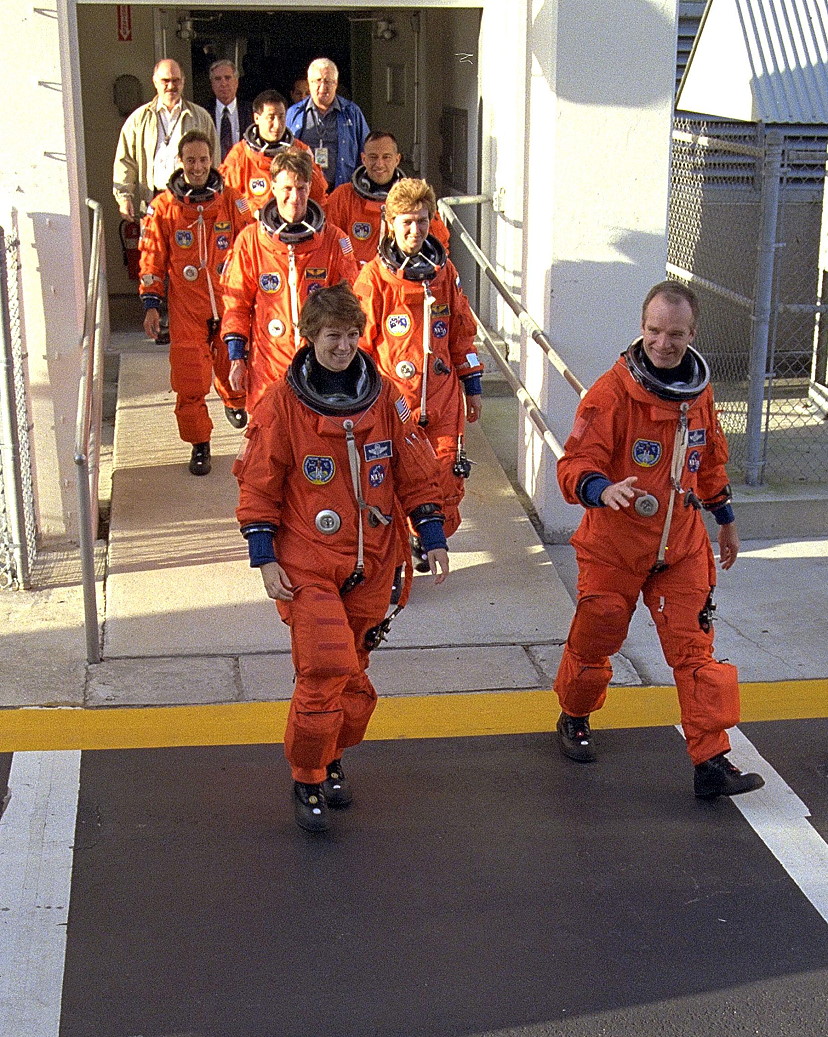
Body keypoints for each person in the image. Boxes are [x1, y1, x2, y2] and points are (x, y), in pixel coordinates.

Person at [234, 282, 449, 833]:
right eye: (333, 336)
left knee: (352, 678)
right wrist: (264, 556)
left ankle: (331, 756)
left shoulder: (384, 400)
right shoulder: (282, 406)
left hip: (373, 559)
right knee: (325, 665)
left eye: (352, 335)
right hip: (309, 562)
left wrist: (432, 533)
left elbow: (417, 470)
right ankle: (306, 776)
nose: (344, 346)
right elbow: (259, 483)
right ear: (310, 337)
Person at [552, 280, 765, 800]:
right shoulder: (612, 392)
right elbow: (574, 465)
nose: (662, 343)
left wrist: (726, 517)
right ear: (641, 328)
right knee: (597, 633)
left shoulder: (700, 391)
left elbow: (709, 458)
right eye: (653, 331)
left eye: (674, 333)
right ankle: (574, 714)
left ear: (692, 334)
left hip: (681, 548)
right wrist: (603, 490)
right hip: (615, 549)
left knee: (697, 654)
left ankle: (711, 761)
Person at [354, 178, 483, 563]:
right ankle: (394, 552)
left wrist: (472, 384)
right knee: (392, 481)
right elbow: (360, 347)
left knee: (445, 479)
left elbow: (461, 333)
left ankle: (427, 537)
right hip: (395, 402)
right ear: (390, 223)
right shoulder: (374, 279)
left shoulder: (443, 274)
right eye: (406, 222)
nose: (415, 230)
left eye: (422, 221)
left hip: (442, 397)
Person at [139, 130, 253, 475]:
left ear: (212, 161)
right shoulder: (164, 207)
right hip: (187, 307)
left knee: (232, 362)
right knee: (190, 380)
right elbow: (151, 257)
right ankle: (199, 443)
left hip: (228, 301)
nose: (198, 167)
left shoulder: (233, 200)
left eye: (203, 160)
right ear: (180, 162)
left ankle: (235, 401)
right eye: (191, 160)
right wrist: (151, 304)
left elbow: (250, 246)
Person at [220, 146, 359, 413]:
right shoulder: (250, 240)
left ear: (310, 187)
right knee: (266, 446)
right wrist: (237, 357)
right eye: (286, 189)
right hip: (268, 365)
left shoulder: (334, 240)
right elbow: (237, 303)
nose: (294, 197)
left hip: (319, 364)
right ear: (272, 187)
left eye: (301, 188)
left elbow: (352, 305)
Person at [113, 58, 218, 221]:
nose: (171, 86)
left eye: (176, 80)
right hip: (152, 201)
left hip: (191, 201)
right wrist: (124, 197)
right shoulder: (139, 119)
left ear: (183, 82)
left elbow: (214, 161)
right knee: (152, 247)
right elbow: (126, 161)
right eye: (165, 81)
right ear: (155, 82)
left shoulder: (201, 117)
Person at [326, 131, 450, 267]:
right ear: (363, 159)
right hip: (356, 279)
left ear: (397, 160)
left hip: (401, 278)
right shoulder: (344, 197)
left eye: (386, 157)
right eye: (373, 157)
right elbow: (330, 241)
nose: (379, 164)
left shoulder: (415, 198)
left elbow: (439, 244)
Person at [219, 90, 327, 216]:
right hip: (255, 227)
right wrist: (252, 212)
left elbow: (319, 197)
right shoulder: (239, 155)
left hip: (294, 228)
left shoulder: (300, 151)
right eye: (271, 117)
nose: (277, 125)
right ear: (257, 118)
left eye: (281, 117)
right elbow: (229, 199)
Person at [285, 58, 370, 190]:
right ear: (309, 83)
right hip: (304, 191)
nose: (323, 87)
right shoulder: (294, 113)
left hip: (342, 190)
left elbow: (367, 152)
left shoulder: (352, 112)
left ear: (336, 84)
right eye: (318, 81)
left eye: (328, 81)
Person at [205, 59, 252, 163]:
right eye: (218, 79)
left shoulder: (251, 112)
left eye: (227, 78)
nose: (223, 83)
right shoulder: (204, 113)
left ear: (236, 81)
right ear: (212, 84)